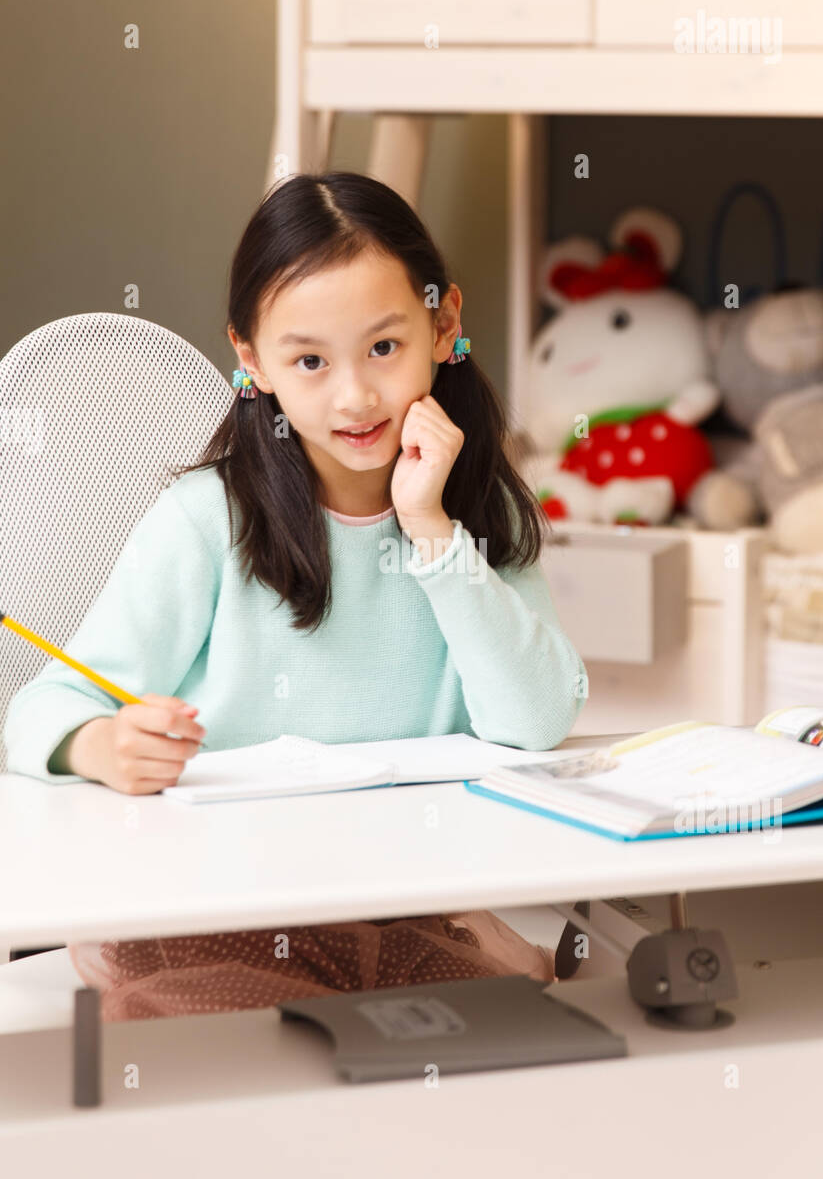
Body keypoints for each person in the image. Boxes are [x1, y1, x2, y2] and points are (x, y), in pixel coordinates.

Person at [4, 171, 587, 1020]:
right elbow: (41, 705)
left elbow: (536, 717)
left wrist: (429, 530)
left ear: (444, 323)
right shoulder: (207, 520)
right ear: (252, 361)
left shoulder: (476, 509)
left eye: (385, 348)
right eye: (309, 360)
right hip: (220, 903)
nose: (353, 396)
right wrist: (99, 743)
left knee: (528, 1035)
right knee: (250, 1045)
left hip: (405, 901)